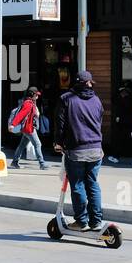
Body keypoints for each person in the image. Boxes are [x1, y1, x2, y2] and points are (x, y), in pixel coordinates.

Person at [55, 70, 106, 231]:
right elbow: (99, 121)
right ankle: (96, 221)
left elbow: (60, 124)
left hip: (76, 149)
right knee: (93, 184)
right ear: (89, 83)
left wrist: (58, 143)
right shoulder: (97, 100)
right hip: (95, 149)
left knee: (77, 185)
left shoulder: (66, 99)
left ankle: (81, 222)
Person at [9, 87, 48, 169]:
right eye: (36, 95)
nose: (37, 96)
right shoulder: (28, 104)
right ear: (32, 94)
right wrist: (13, 124)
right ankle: (42, 163)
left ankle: (14, 162)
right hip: (29, 129)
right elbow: (21, 115)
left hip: (27, 128)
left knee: (22, 145)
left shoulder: (31, 103)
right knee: (37, 144)